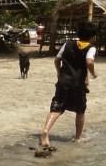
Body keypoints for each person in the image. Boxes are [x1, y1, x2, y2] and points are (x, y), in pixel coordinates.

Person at [39, 21, 98, 149]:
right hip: (78, 84)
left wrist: (59, 73)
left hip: (63, 81)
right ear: (93, 36)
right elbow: (89, 61)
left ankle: (45, 131)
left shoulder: (68, 43)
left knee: (57, 107)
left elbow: (57, 60)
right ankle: (78, 138)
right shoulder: (91, 47)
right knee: (80, 110)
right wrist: (93, 73)